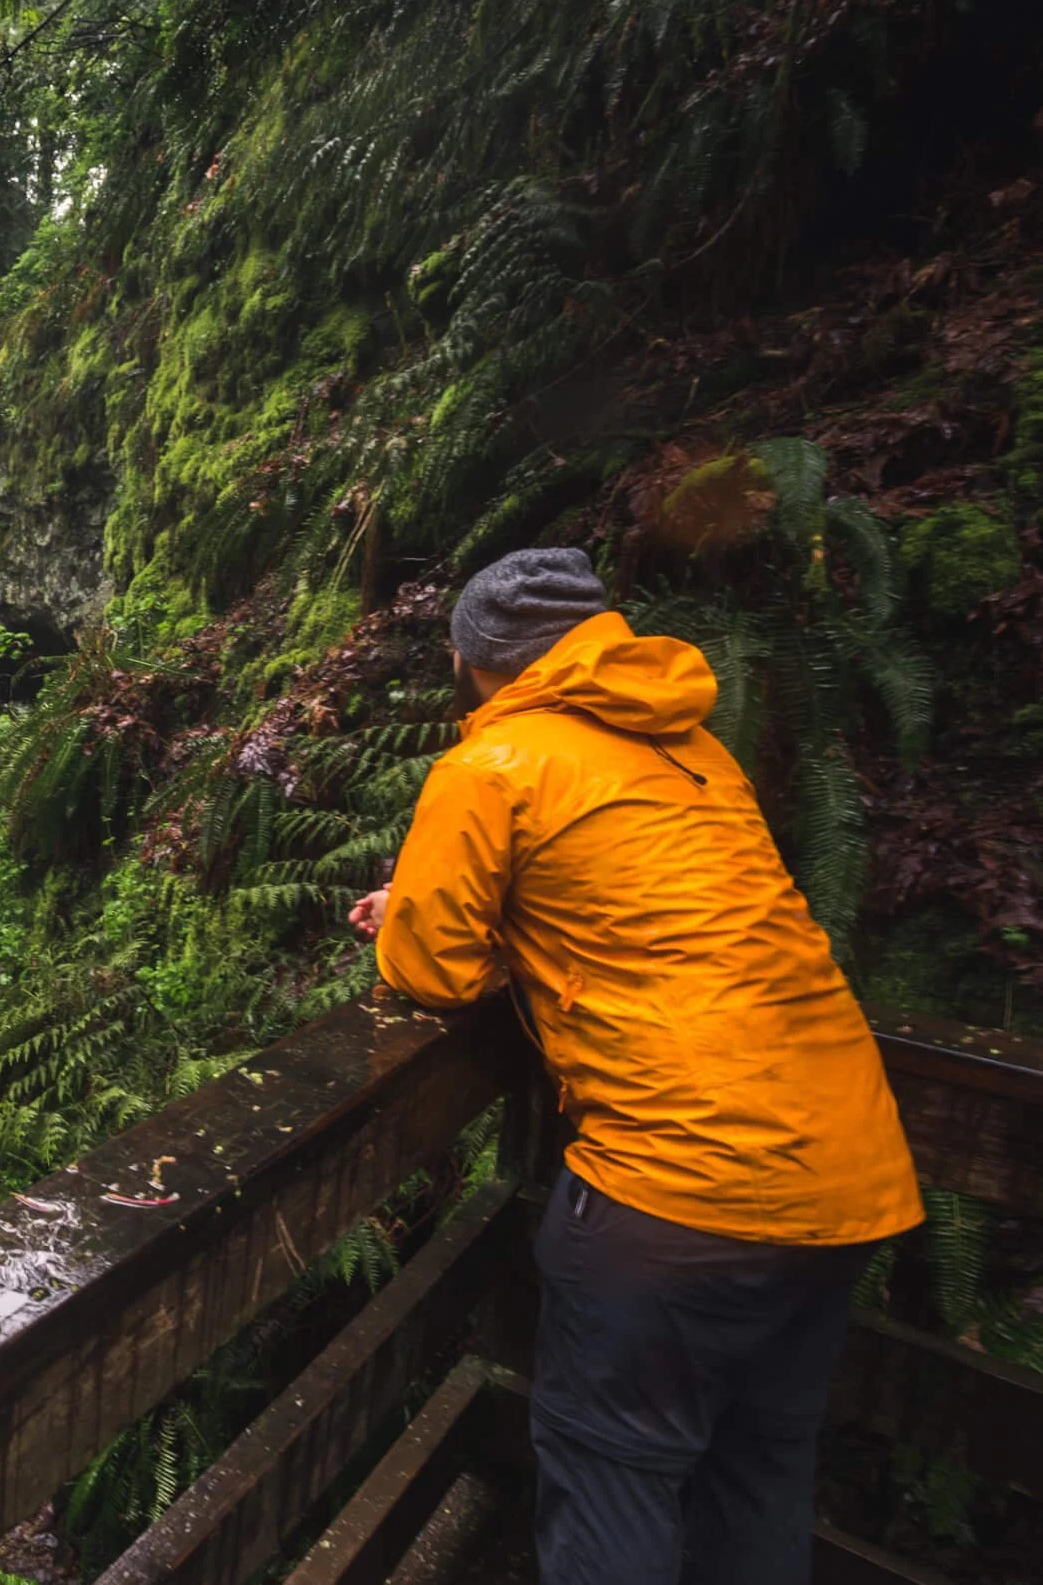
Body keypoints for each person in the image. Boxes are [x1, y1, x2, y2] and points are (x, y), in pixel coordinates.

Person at [346, 547, 922, 1585]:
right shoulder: (692, 748)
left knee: (613, 1473)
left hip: (677, 1190)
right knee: (758, 1473)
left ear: (475, 658)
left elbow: (434, 969)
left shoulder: (492, 763)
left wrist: (409, 915)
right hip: (848, 1171)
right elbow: (645, 908)